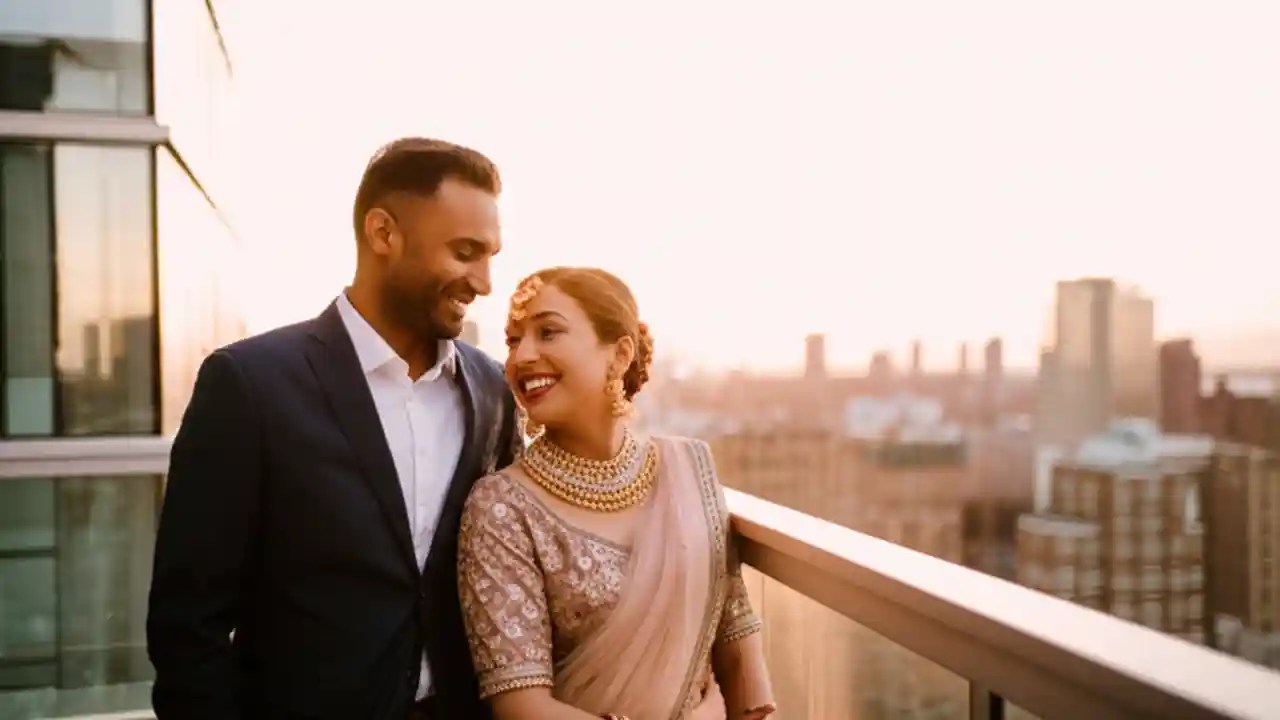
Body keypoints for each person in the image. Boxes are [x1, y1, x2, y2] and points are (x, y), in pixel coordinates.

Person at [146, 137, 517, 720]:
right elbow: (188, 626)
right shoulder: (248, 385)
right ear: (383, 233)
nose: (485, 281)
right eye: (466, 251)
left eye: (491, 254)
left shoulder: (493, 389)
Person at [457, 267, 776, 720]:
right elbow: (521, 706)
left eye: (548, 332)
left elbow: (738, 648)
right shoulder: (501, 508)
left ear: (619, 354)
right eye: (512, 340)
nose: (522, 356)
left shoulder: (688, 472)